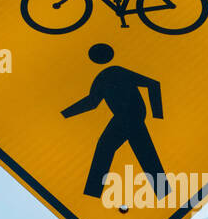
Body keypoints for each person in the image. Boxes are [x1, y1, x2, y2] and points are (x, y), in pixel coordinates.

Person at [61, 44, 169, 198]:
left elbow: (153, 84)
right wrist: (65, 114)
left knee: (109, 147)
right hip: (126, 115)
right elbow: (92, 102)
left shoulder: (114, 72)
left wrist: (157, 114)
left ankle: (92, 192)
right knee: (141, 149)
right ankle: (163, 191)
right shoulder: (103, 77)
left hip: (131, 114)